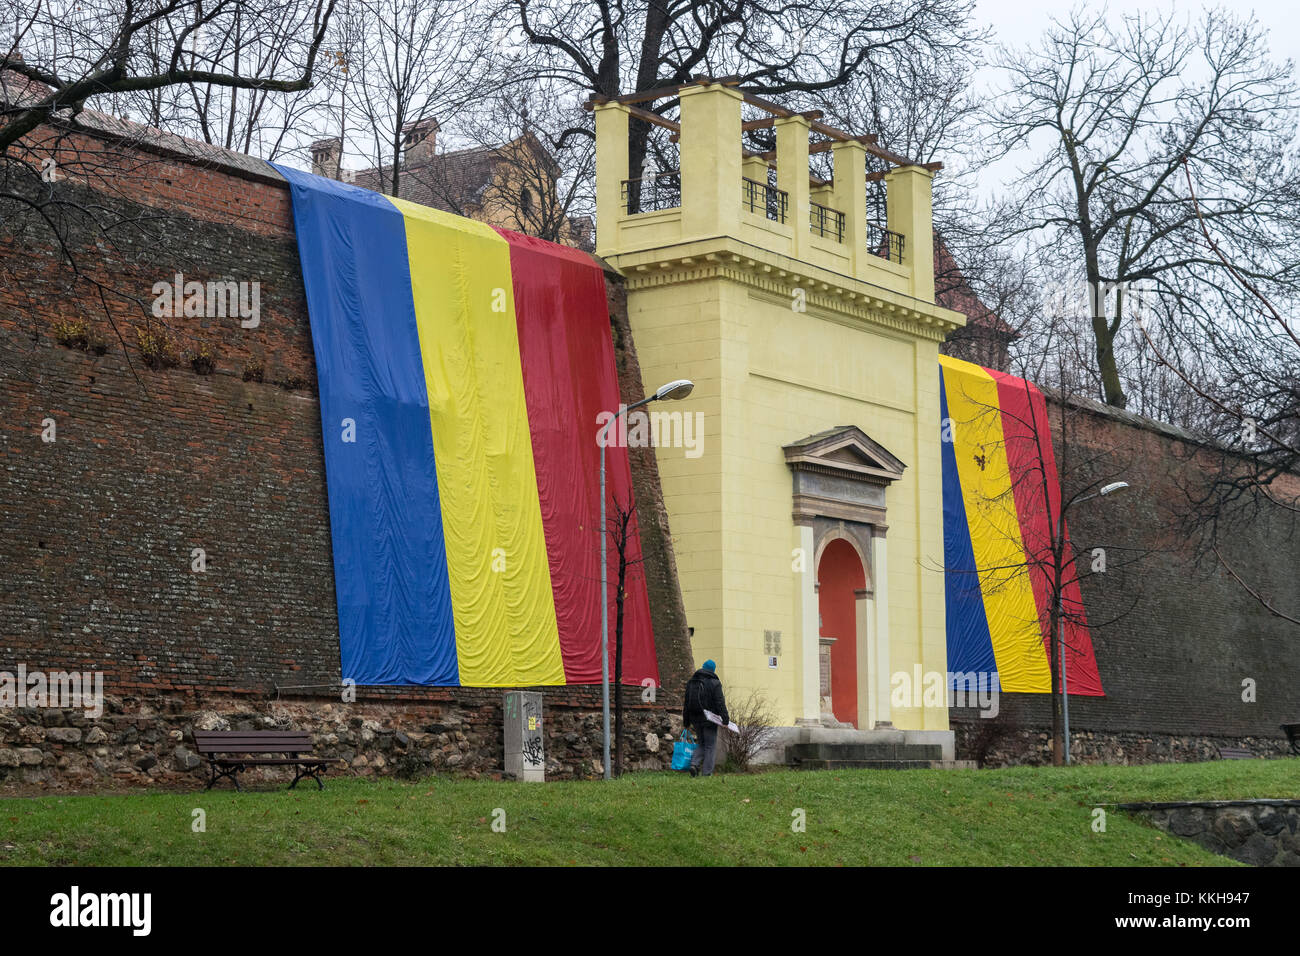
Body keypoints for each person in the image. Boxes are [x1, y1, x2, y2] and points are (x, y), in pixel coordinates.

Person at [682, 659, 728, 777]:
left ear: (702, 667)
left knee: (701, 743)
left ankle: (694, 764)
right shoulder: (714, 683)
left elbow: (686, 703)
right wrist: (725, 719)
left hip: (695, 718)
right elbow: (720, 702)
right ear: (713, 670)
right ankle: (707, 772)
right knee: (710, 745)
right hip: (709, 720)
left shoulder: (692, 682)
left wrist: (686, 721)